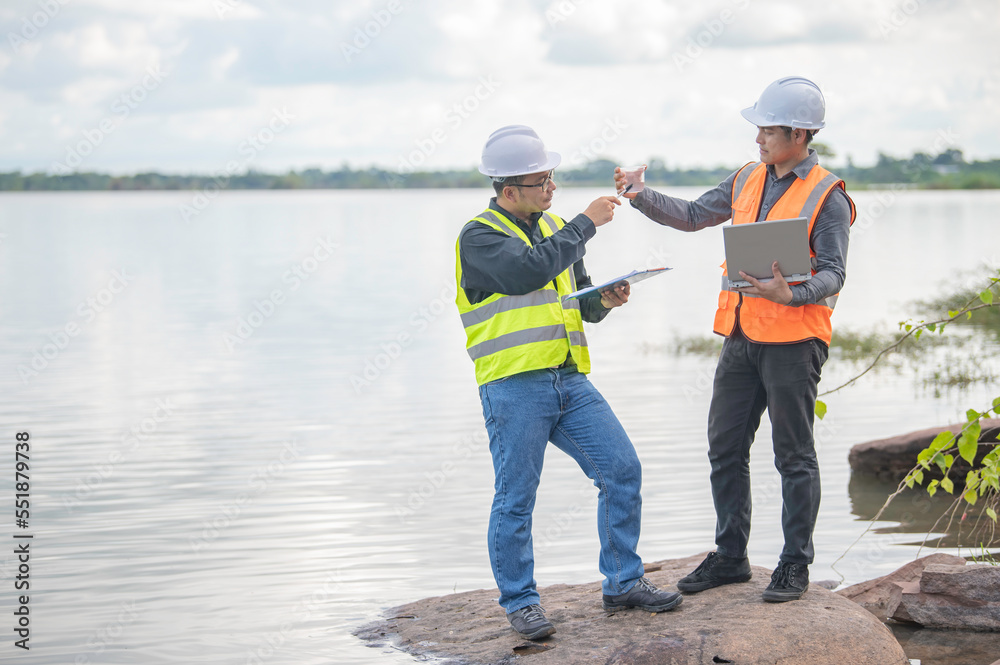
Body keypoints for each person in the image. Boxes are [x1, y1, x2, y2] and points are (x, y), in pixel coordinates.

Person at [614, 77, 856, 602]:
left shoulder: (829, 196)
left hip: (795, 342)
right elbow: (696, 215)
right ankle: (730, 557)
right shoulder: (748, 176)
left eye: (767, 130)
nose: (758, 139)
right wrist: (639, 195)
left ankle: (794, 565)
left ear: (799, 134)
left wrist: (790, 294)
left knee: (793, 456)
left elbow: (834, 273)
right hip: (742, 337)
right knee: (724, 448)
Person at [456, 125, 682, 641]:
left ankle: (623, 582)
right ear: (509, 190)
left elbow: (575, 298)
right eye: (542, 180)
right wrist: (587, 223)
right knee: (516, 497)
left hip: (569, 379)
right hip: (514, 386)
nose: (552, 187)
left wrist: (603, 299)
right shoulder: (479, 236)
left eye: (553, 177)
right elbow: (525, 274)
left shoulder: (555, 227)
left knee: (622, 470)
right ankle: (521, 603)